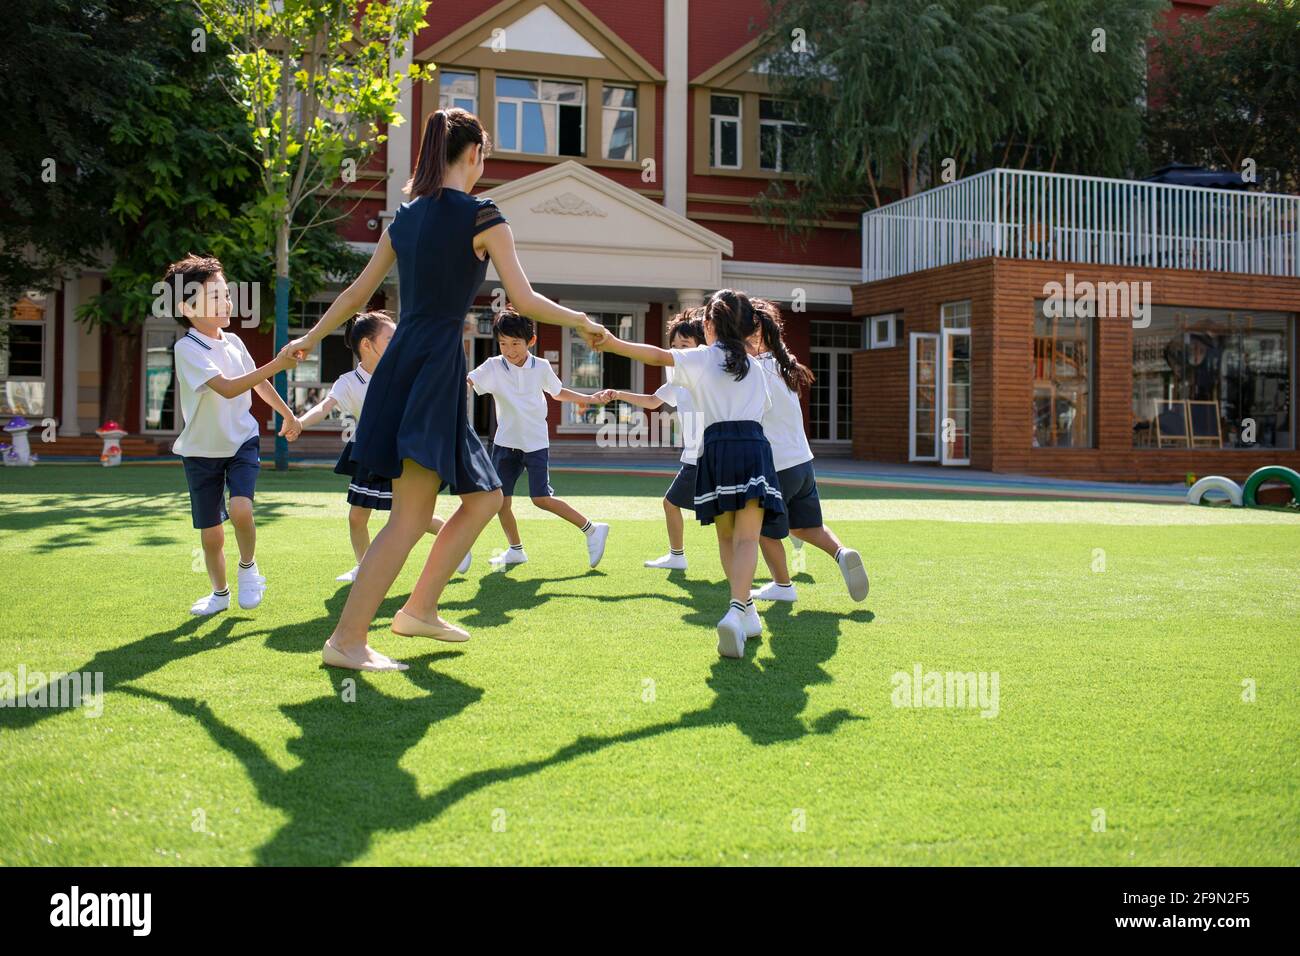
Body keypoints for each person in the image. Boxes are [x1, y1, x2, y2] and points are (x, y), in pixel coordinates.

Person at [282, 107, 608, 671]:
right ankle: (348, 640)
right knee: (410, 517)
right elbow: (524, 301)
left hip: (406, 362)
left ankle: (418, 610)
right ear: (476, 154)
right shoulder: (484, 215)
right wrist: (581, 320)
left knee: (485, 496)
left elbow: (358, 295)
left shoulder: (406, 218)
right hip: (433, 366)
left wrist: (308, 338)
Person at [594, 289, 782, 659]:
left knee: (727, 539)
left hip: (714, 449)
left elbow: (657, 355)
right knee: (748, 539)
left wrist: (613, 341)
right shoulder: (757, 367)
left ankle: (740, 608)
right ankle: (740, 609)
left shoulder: (700, 358)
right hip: (753, 446)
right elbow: (764, 412)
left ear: (708, 326)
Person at [163, 253, 301, 616]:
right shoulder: (187, 348)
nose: (226, 302)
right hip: (200, 452)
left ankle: (248, 568)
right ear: (186, 308)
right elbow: (226, 387)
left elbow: (259, 385)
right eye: (215, 297)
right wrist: (279, 362)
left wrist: (288, 414)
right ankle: (219, 594)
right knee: (211, 536)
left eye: (226, 294)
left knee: (241, 508)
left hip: (242, 440)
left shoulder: (235, 343)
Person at [294, 311, 472, 583]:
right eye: (390, 339)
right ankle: (365, 568)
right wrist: (299, 422)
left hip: (401, 453)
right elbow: (324, 406)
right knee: (357, 517)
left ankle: (457, 545)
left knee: (412, 516)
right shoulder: (348, 382)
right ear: (366, 344)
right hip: (368, 453)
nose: (398, 344)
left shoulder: (405, 373)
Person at [746, 299, 869, 603]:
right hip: (803, 462)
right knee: (804, 526)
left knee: (762, 528)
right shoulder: (783, 362)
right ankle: (842, 553)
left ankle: (783, 586)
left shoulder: (753, 369)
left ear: (754, 332)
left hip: (777, 465)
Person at [468, 308, 610, 568]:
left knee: (541, 499)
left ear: (530, 342)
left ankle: (592, 529)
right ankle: (516, 550)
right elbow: (468, 382)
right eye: (503, 344)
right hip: (504, 444)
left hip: (535, 443)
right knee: (500, 502)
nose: (509, 350)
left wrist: (588, 398)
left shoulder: (541, 367)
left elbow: (558, 392)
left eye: (515, 344)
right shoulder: (493, 366)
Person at [591, 309, 706, 570]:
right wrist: (619, 394)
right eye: (674, 346)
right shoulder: (678, 379)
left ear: (702, 348)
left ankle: (679, 557)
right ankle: (677, 557)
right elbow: (653, 401)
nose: (677, 352)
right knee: (717, 511)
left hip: (708, 454)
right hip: (696, 455)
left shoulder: (705, 374)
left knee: (679, 504)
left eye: (685, 346)